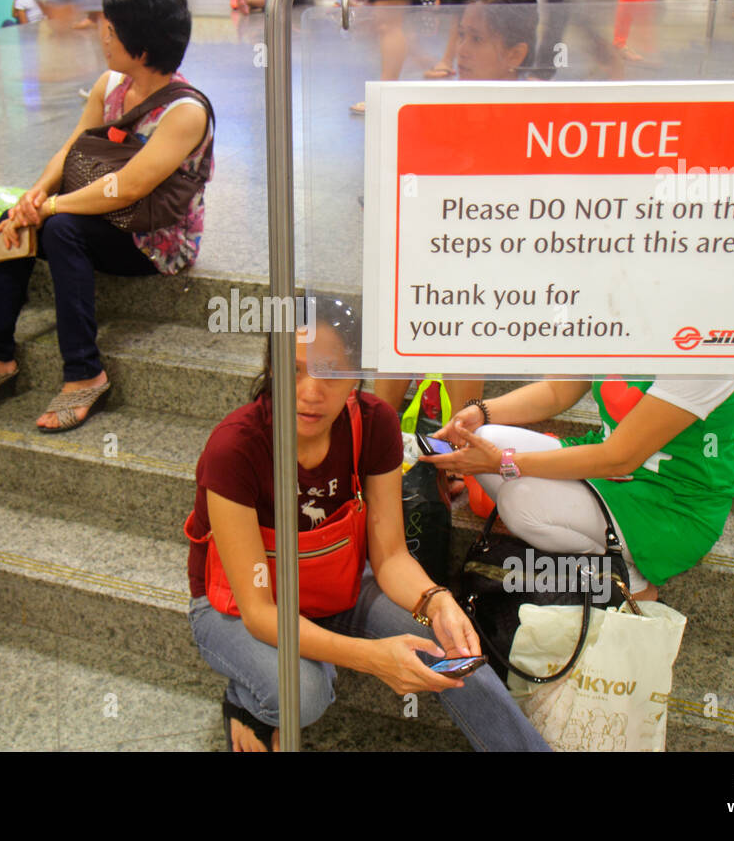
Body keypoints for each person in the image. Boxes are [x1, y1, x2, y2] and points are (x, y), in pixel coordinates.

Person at [185, 299, 549, 752]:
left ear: (356, 376)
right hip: (238, 605)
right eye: (294, 370)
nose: (311, 391)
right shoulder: (235, 449)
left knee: (453, 650)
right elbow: (259, 611)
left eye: (331, 372)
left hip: (340, 581)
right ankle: (246, 699)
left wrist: (437, 601)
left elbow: (392, 556)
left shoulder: (373, 422)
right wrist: (372, 659)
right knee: (304, 692)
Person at [0, 0, 212, 429]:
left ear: (141, 47)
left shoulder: (185, 111)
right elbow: (74, 148)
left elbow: (129, 188)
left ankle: (85, 372)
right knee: (13, 219)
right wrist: (33, 197)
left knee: (59, 227)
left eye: (108, 29)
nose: (100, 36)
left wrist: (51, 208)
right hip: (102, 215)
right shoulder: (110, 84)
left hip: (154, 239)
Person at [373, 0, 539, 448]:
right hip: (452, 249)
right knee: (405, 280)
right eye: (461, 35)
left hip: (514, 262)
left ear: (515, 54)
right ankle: (376, 435)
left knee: (460, 291)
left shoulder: (537, 113)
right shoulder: (444, 104)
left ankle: (457, 442)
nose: (461, 50)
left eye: (476, 40)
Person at [425, 377, 734, 600]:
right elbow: (555, 392)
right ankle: (584, 550)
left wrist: (502, 463)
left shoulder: (705, 351)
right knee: (489, 436)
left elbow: (619, 458)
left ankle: (626, 582)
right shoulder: (614, 314)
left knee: (520, 503)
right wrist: (481, 412)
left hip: (672, 506)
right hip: (607, 465)